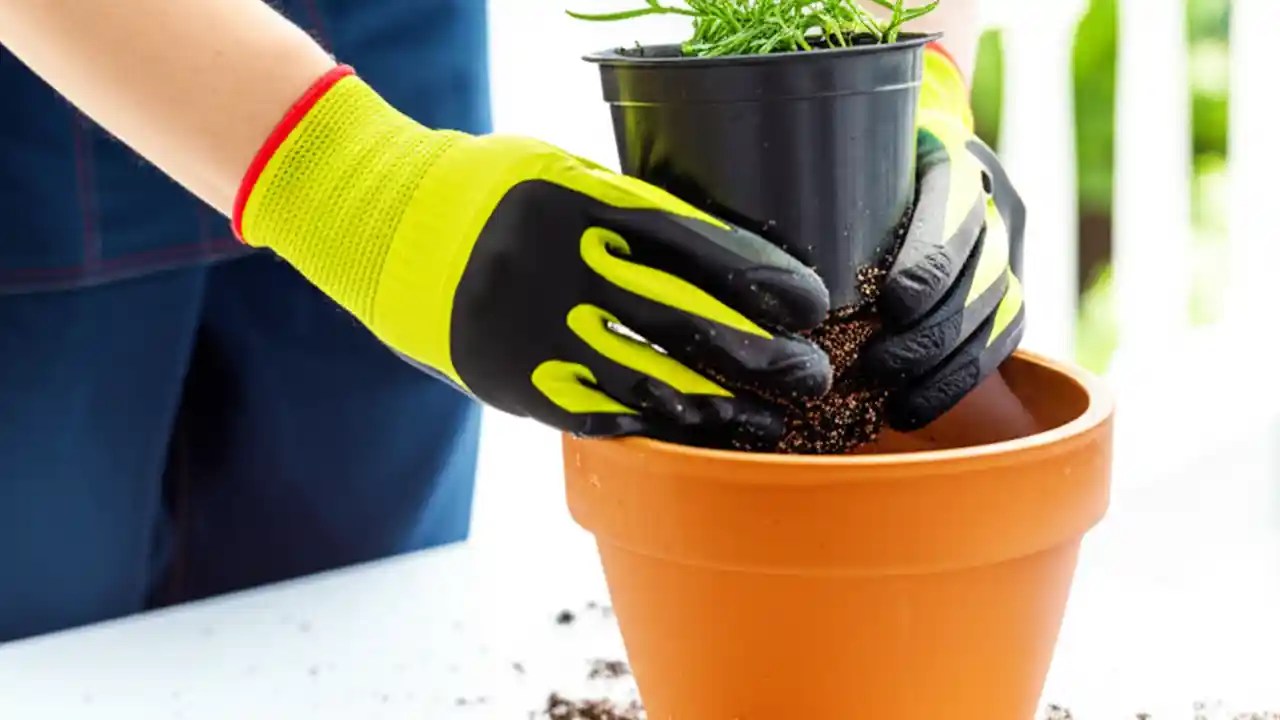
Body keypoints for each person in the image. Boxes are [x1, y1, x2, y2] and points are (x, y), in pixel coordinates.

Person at [0, 0, 1024, 643]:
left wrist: (911, 80)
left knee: (352, 617)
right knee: (43, 625)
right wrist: (351, 188)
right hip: (43, 77)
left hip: (382, 40)